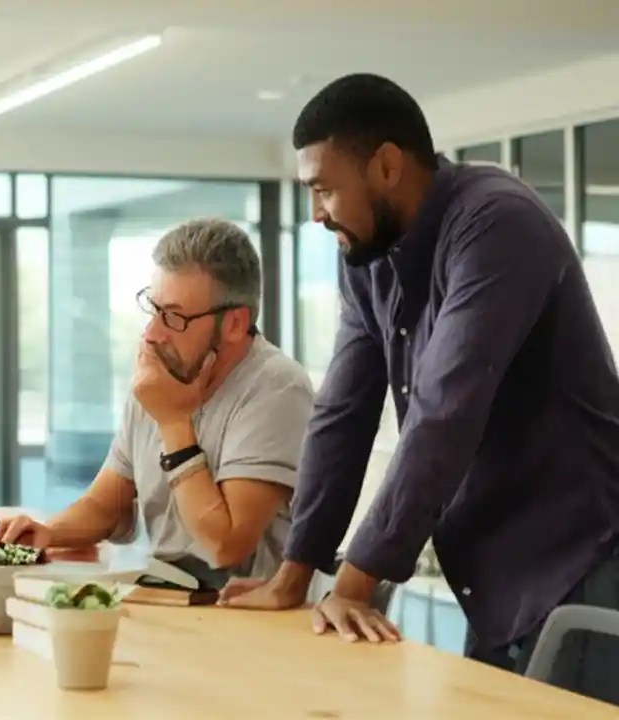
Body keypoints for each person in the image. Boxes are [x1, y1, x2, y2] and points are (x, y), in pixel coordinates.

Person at [220, 73, 619, 702]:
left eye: (324, 189)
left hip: (580, 560)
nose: (316, 215)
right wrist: (294, 574)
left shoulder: (496, 224)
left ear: (385, 165)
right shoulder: (369, 252)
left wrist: (355, 584)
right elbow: (343, 411)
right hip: (493, 579)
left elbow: (445, 411)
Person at [0, 219, 314, 587]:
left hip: (242, 617)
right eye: (154, 309)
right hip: (167, 600)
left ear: (235, 324)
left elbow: (224, 546)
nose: (152, 333)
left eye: (174, 316)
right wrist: (45, 532)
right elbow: (107, 506)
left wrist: (173, 423)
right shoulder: (163, 375)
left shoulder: (277, 387)